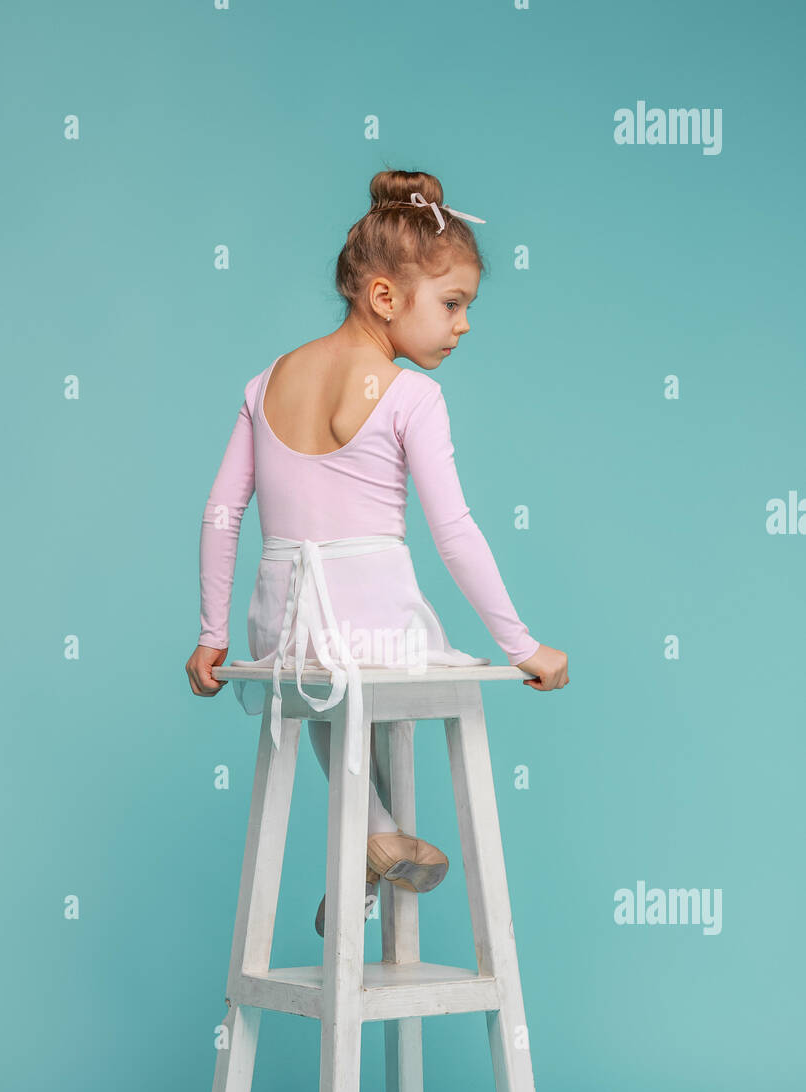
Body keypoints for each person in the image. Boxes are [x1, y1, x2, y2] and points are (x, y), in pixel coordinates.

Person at [185, 167, 569, 934]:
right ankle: (377, 835)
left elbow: (223, 511)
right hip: (376, 624)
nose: (463, 325)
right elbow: (454, 532)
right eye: (453, 304)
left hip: (281, 629)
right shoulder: (410, 395)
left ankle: (372, 840)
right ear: (385, 297)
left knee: (333, 695)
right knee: (389, 682)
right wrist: (521, 643)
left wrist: (211, 633)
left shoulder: (267, 383)